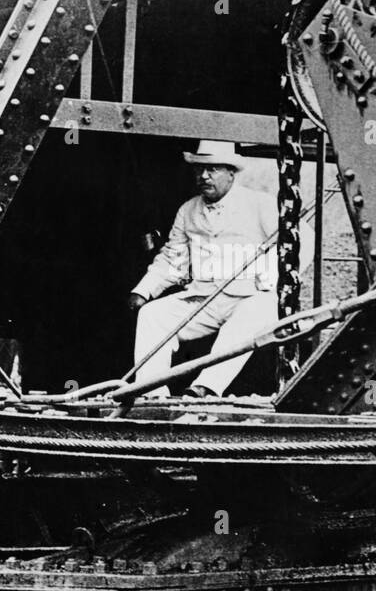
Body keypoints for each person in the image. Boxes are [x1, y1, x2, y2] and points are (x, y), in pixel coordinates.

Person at [129, 140, 306, 398]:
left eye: (213, 170)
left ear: (231, 172)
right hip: (204, 299)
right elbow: (172, 258)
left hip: (250, 297)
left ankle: (205, 388)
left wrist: (271, 278)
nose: (204, 176)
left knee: (257, 311)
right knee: (153, 314)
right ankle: (151, 392)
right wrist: (144, 290)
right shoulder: (188, 210)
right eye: (199, 170)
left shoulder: (260, 203)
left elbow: (301, 240)